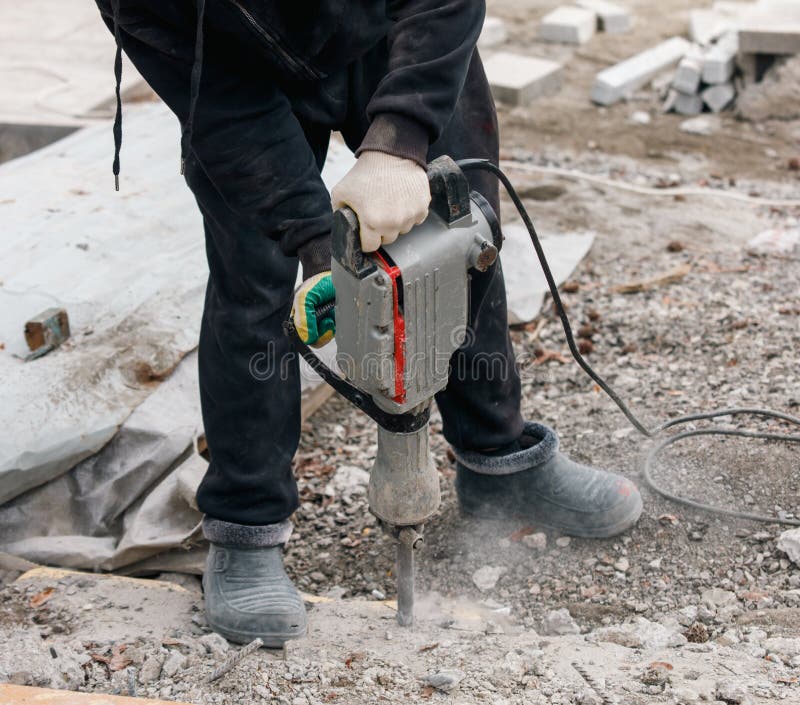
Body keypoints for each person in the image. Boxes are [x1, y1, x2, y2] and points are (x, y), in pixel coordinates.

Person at [95, 0, 642, 647]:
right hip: (234, 69)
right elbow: (215, 97)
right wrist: (321, 249)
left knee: (459, 222)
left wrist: (402, 140)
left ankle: (501, 463)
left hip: (390, 28)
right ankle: (245, 525)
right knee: (252, 275)